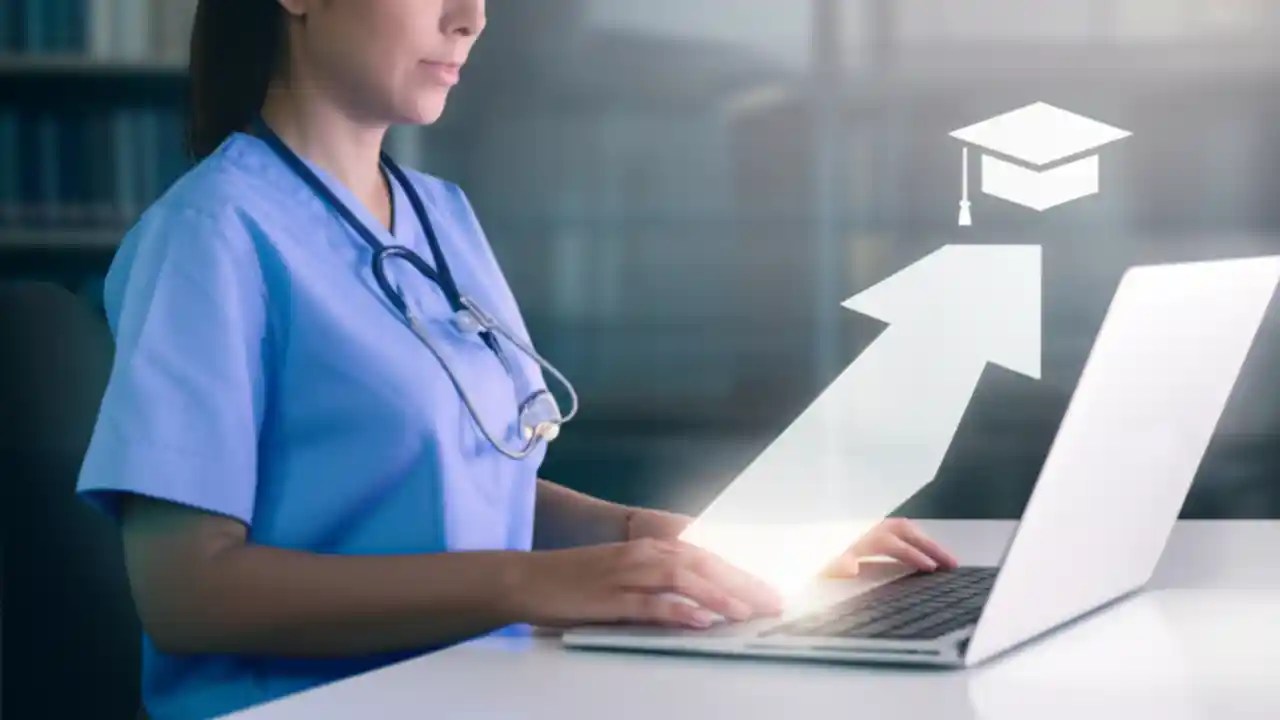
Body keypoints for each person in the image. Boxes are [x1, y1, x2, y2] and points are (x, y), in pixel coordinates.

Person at [75, 1, 958, 717]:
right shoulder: (208, 236)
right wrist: (533, 584)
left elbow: (469, 486)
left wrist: (678, 541)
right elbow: (187, 596)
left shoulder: (439, 214)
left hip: (482, 685)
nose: (472, 17)